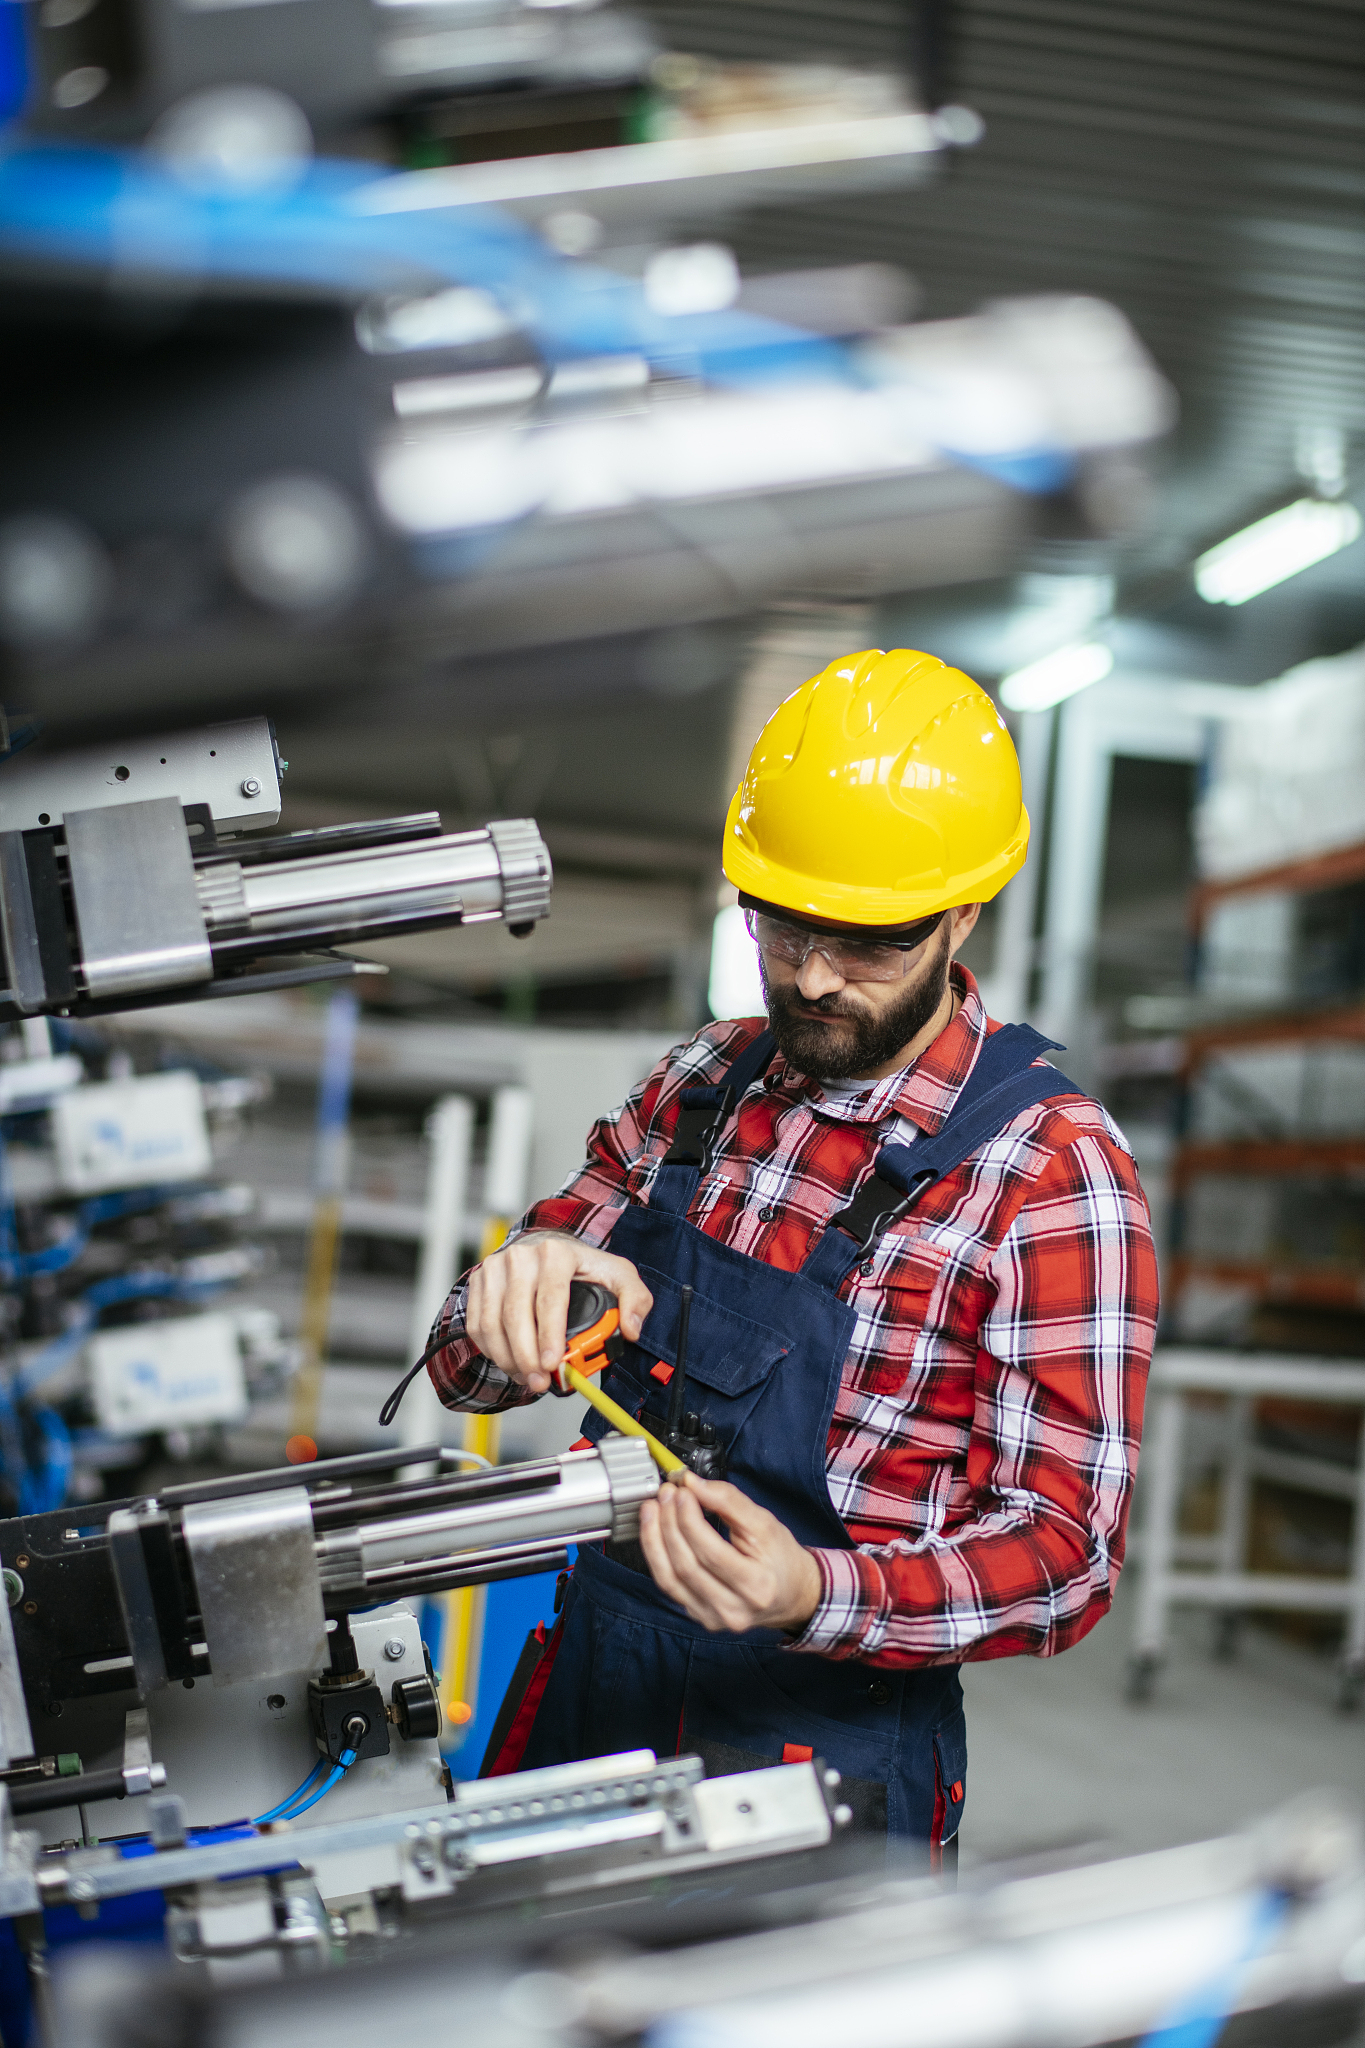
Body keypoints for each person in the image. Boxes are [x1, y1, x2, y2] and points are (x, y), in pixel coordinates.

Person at [424, 646, 1159, 1853]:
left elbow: (1065, 1553)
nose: (813, 975)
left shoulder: (1049, 1174)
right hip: (589, 1696)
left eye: (868, 940)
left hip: (820, 1754)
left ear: (963, 910)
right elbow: (468, 1371)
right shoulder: (701, 1082)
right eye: (783, 925)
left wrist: (820, 1589)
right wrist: (506, 1304)